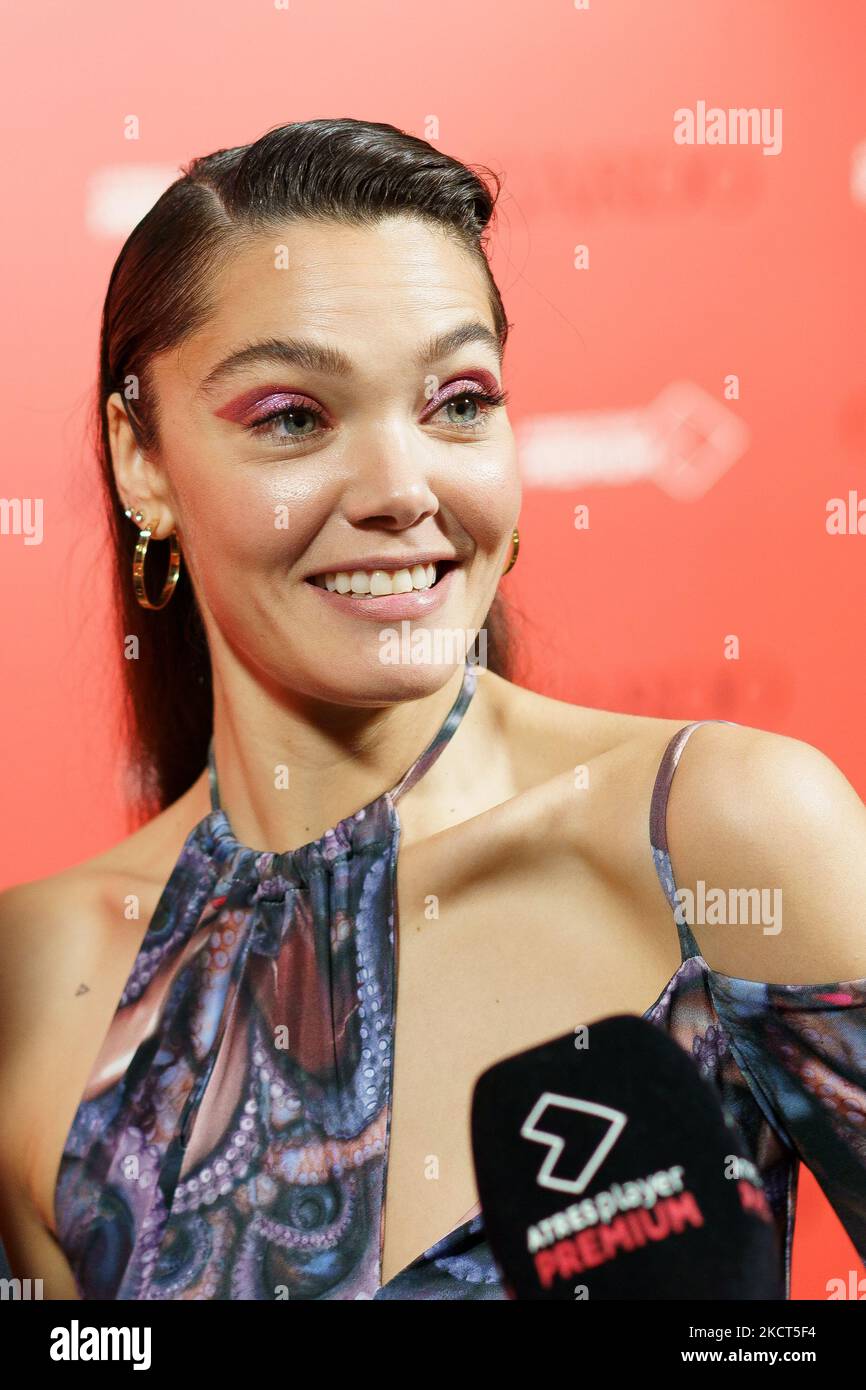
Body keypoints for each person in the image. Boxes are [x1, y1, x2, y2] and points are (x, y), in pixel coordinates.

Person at [0, 118, 864, 1301]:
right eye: (293, 418)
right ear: (139, 456)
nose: (404, 490)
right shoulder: (35, 977)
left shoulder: (719, 834)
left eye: (456, 400)